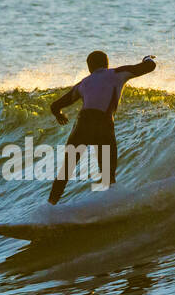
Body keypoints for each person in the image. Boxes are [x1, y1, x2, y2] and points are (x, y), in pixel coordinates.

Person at [47, 50, 156, 204]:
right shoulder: (117, 73)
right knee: (107, 177)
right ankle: (108, 208)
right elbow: (149, 67)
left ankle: (48, 209)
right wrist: (147, 58)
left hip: (82, 124)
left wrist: (59, 115)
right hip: (103, 124)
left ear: (89, 68)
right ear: (106, 63)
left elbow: (55, 105)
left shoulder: (83, 83)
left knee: (65, 170)